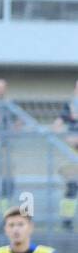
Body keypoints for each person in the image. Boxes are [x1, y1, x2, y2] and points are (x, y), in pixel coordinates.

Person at [49, 80, 78, 229]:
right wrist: (68, 138)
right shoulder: (70, 105)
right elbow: (57, 126)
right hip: (73, 152)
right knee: (72, 186)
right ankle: (66, 221)